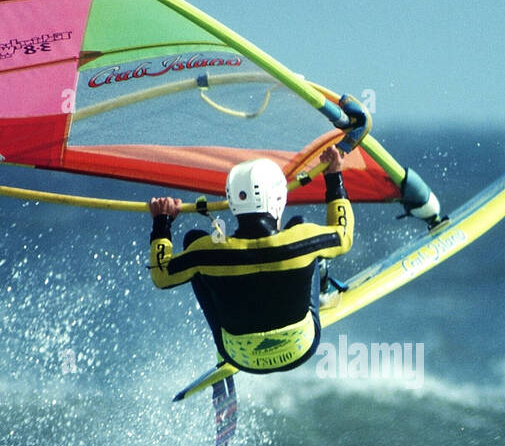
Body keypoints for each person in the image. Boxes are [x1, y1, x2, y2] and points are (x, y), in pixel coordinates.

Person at [147, 146, 352, 374]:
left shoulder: (207, 253)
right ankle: (321, 293)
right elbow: (344, 235)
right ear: (278, 198)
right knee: (301, 225)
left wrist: (162, 223)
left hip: (239, 356)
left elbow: (161, 276)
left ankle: (224, 344)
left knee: (193, 240)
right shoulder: (301, 240)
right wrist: (334, 177)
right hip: (301, 347)